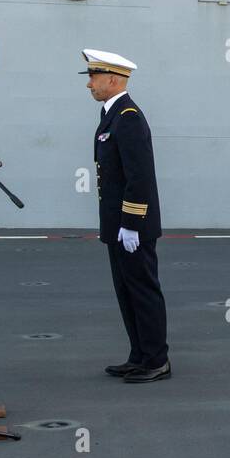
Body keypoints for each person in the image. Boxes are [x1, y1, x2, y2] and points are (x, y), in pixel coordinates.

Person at [81, 48, 171, 382]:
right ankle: (139, 354)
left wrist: (131, 224)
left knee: (143, 290)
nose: (89, 84)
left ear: (113, 79)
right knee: (126, 291)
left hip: (133, 226)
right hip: (118, 227)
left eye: (93, 77)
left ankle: (156, 359)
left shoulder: (128, 116)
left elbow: (140, 176)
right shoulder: (113, 115)